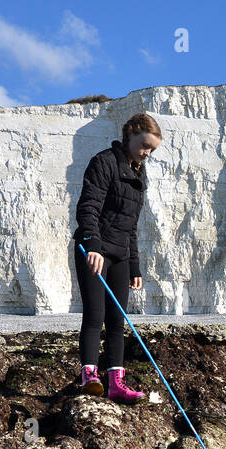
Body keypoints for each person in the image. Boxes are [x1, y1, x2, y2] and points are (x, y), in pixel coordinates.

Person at [71, 112, 162, 402]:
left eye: (152, 150)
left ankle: (115, 383)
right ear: (131, 134)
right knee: (95, 315)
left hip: (121, 254)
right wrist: (93, 245)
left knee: (118, 320)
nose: (147, 153)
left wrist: (134, 265)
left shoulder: (138, 173)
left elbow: (130, 224)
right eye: (145, 145)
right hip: (94, 250)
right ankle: (89, 377)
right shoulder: (104, 162)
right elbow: (88, 208)